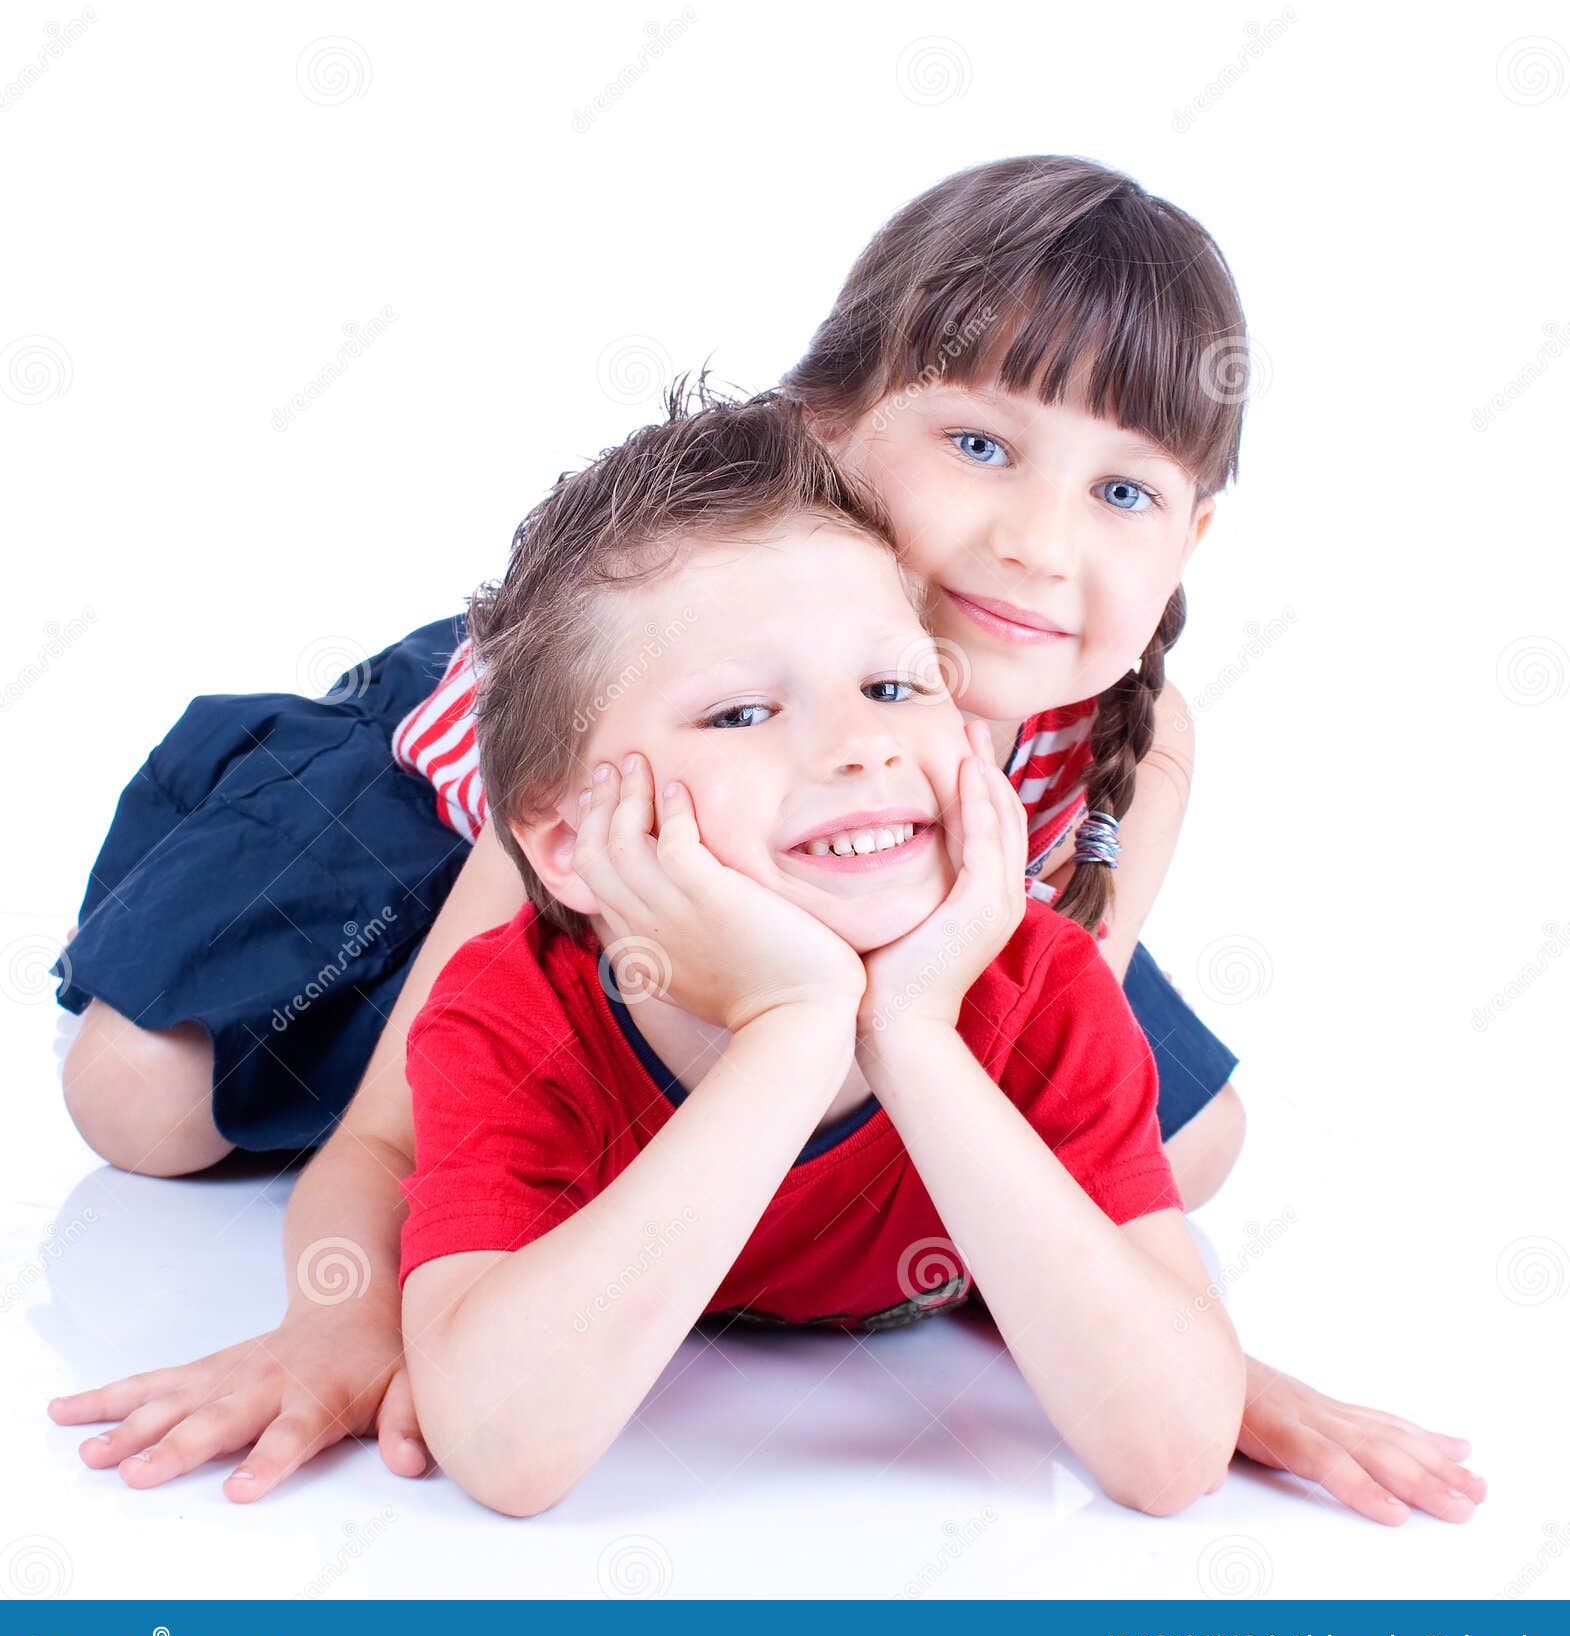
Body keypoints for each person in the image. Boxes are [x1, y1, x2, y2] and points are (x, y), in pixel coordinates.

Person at [47, 159, 1484, 1526]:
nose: (1043, 544)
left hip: (871, 888)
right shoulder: (611, 764)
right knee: (142, 1097)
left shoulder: (1129, 739)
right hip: (475, 841)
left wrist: (1202, 1369)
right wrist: (347, 1316)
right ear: (826, 430)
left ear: (1193, 537)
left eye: (1122, 491)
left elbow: (1039, 1105)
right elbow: (383, 1141)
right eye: (980, 444)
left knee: (1198, 1137)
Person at [397, 385, 1245, 1516]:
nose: (858, 748)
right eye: (741, 715)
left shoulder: (1049, 1000)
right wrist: (791, 1027)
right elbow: (503, 1451)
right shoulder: (511, 1017)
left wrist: (911, 1033)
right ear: (563, 840)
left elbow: (1173, 1458)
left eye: (895, 686)